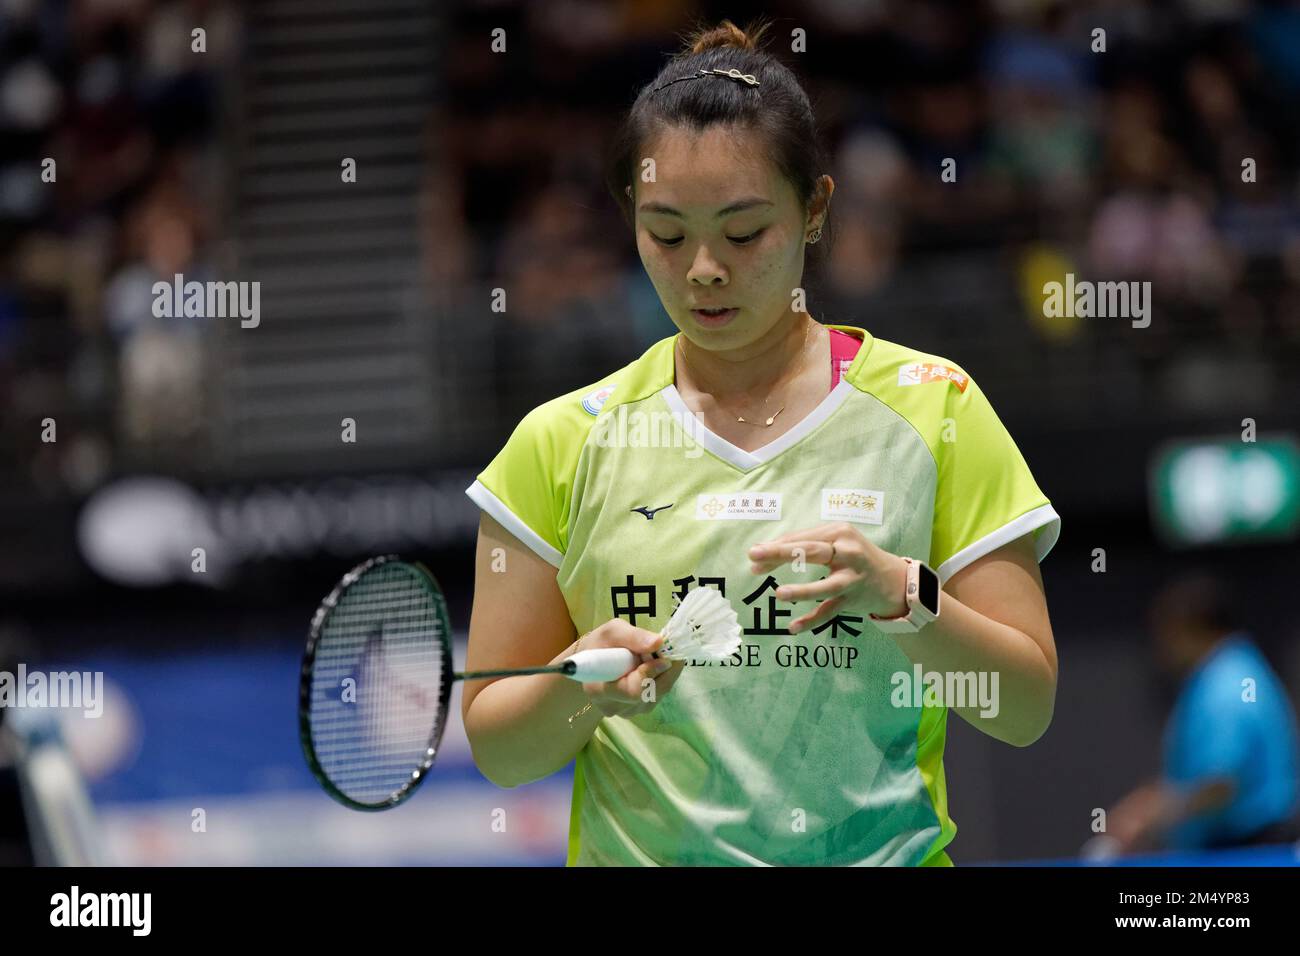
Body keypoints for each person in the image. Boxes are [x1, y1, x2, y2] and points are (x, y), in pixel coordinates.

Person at [461, 18, 1060, 866]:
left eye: (743, 233)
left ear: (814, 209)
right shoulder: (559, 443)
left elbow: (1024, 709)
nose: (704, 268)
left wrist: (903, 595)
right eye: (667, 233)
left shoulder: (936, 409)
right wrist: (580, 687)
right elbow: (500, 750)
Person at [1103, 572, 1300, 856]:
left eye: (1164, 630)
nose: (1159, 644)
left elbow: (1221, 785)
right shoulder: (1230, 669)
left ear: (1190, 627)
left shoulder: (1226, 684)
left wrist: (1151, 813)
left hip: (1247, 851)